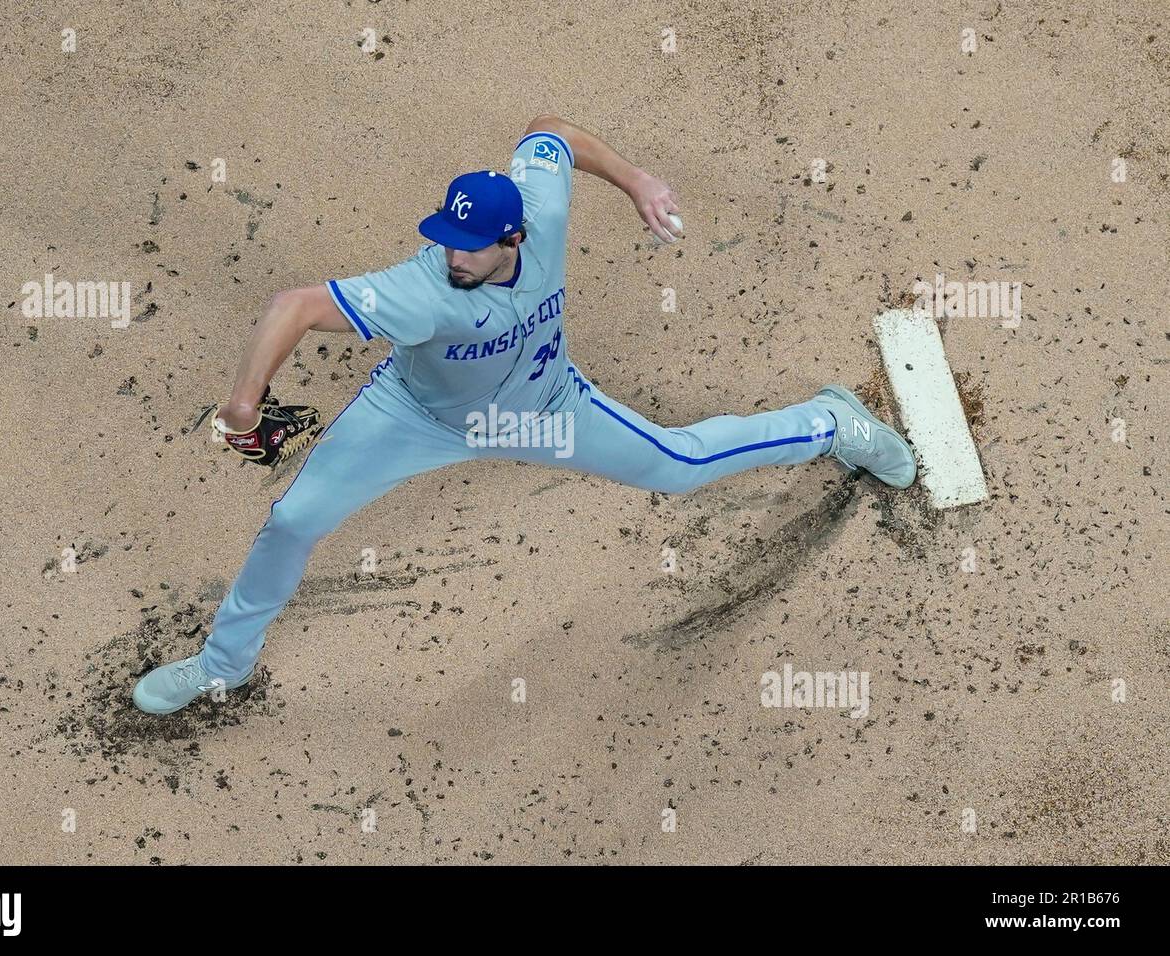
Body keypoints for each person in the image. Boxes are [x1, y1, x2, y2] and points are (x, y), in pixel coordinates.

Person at [132, 115, 916, 715]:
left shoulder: (539, 211)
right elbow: (293, 306)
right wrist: (244, 403)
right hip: (415, 418)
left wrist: (636, 179)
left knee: (679, 466)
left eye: (470, 246)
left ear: (513, 236)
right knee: (294, 522)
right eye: (446, 240)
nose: (453, 256)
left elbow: (549, 133)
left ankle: (829, 423)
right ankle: (222, 664)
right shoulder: (422, 288)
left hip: (545, 410)